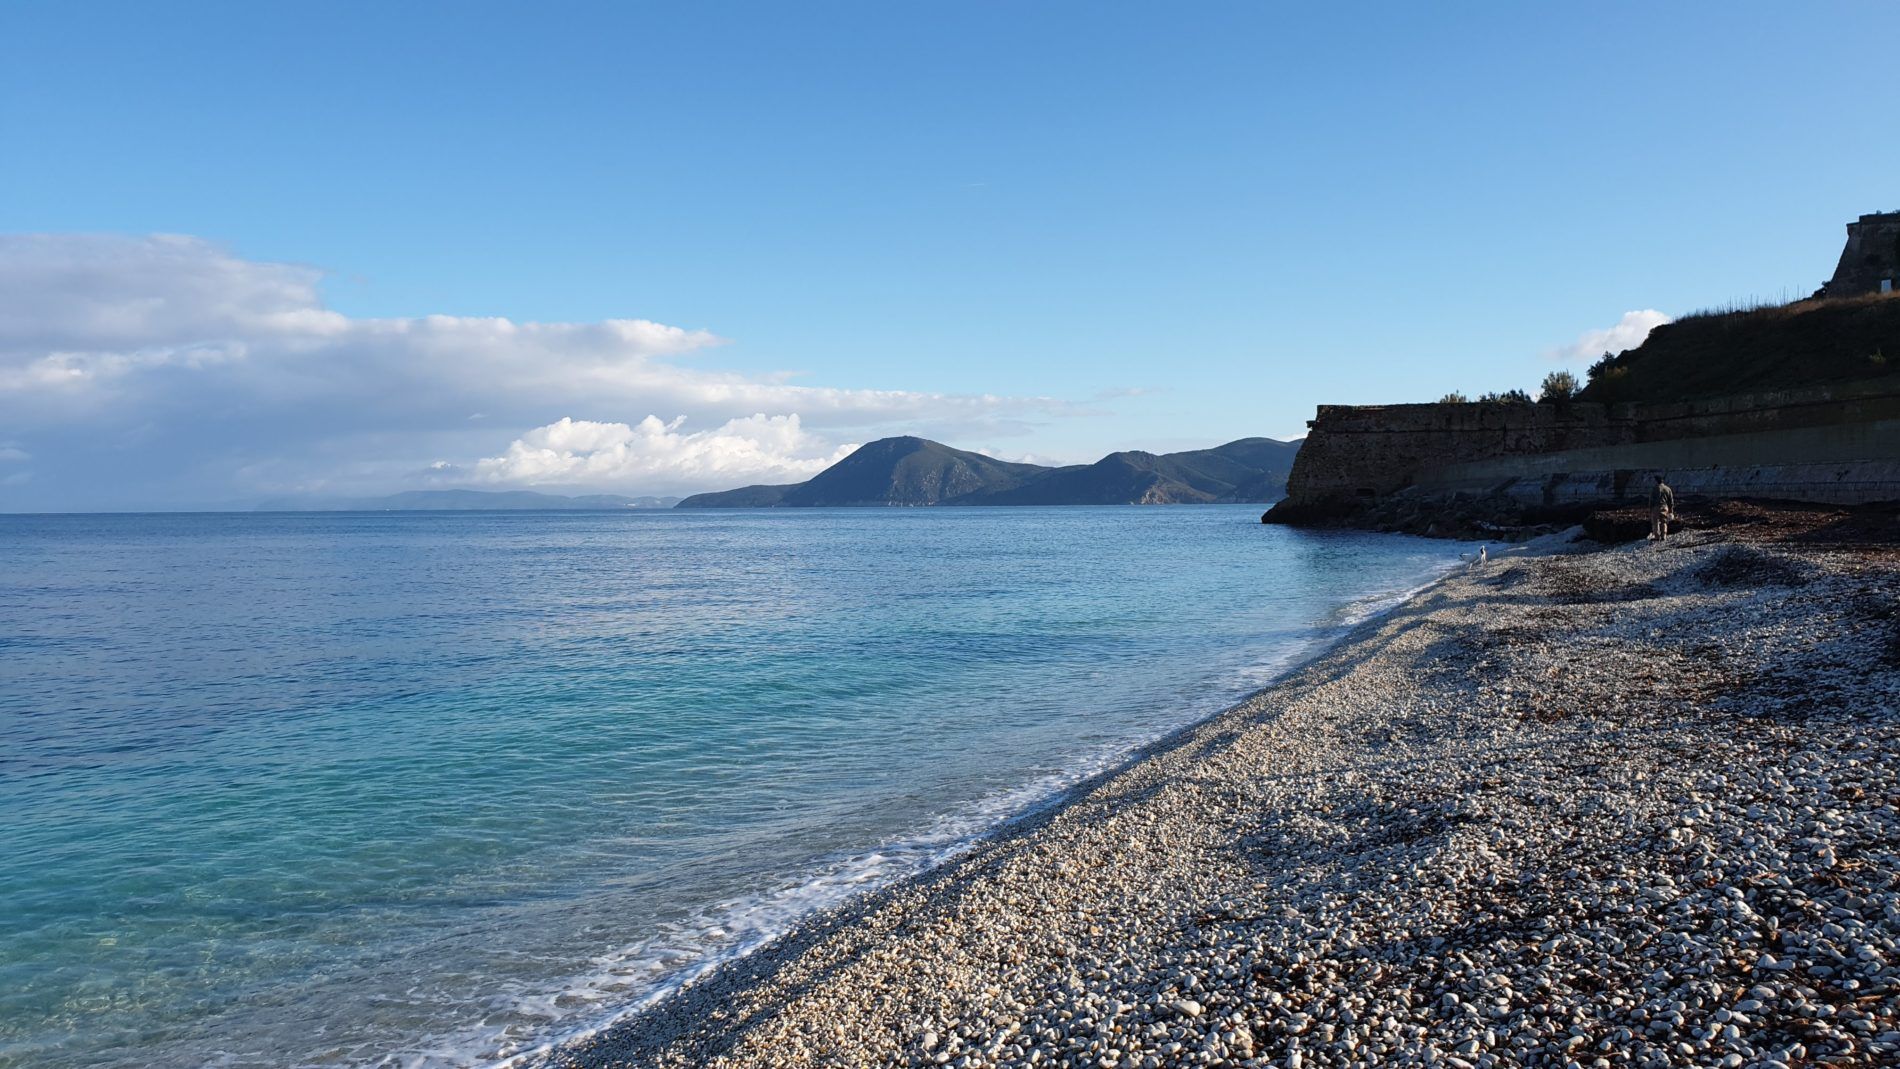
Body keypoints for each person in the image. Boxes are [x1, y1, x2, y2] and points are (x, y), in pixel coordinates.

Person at [1650, 474, 1675, 542]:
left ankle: (1657, 537)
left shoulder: (1655, 489)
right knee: (1663, 521)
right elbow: (1671, 501)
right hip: (1665, 507)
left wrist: (1650, 509)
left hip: (1656, 507)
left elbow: (1651, 500)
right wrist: (1671, 511)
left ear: (1656, 481)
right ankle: (1664, 536)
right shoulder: (1668, 489)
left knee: (1655, 522)